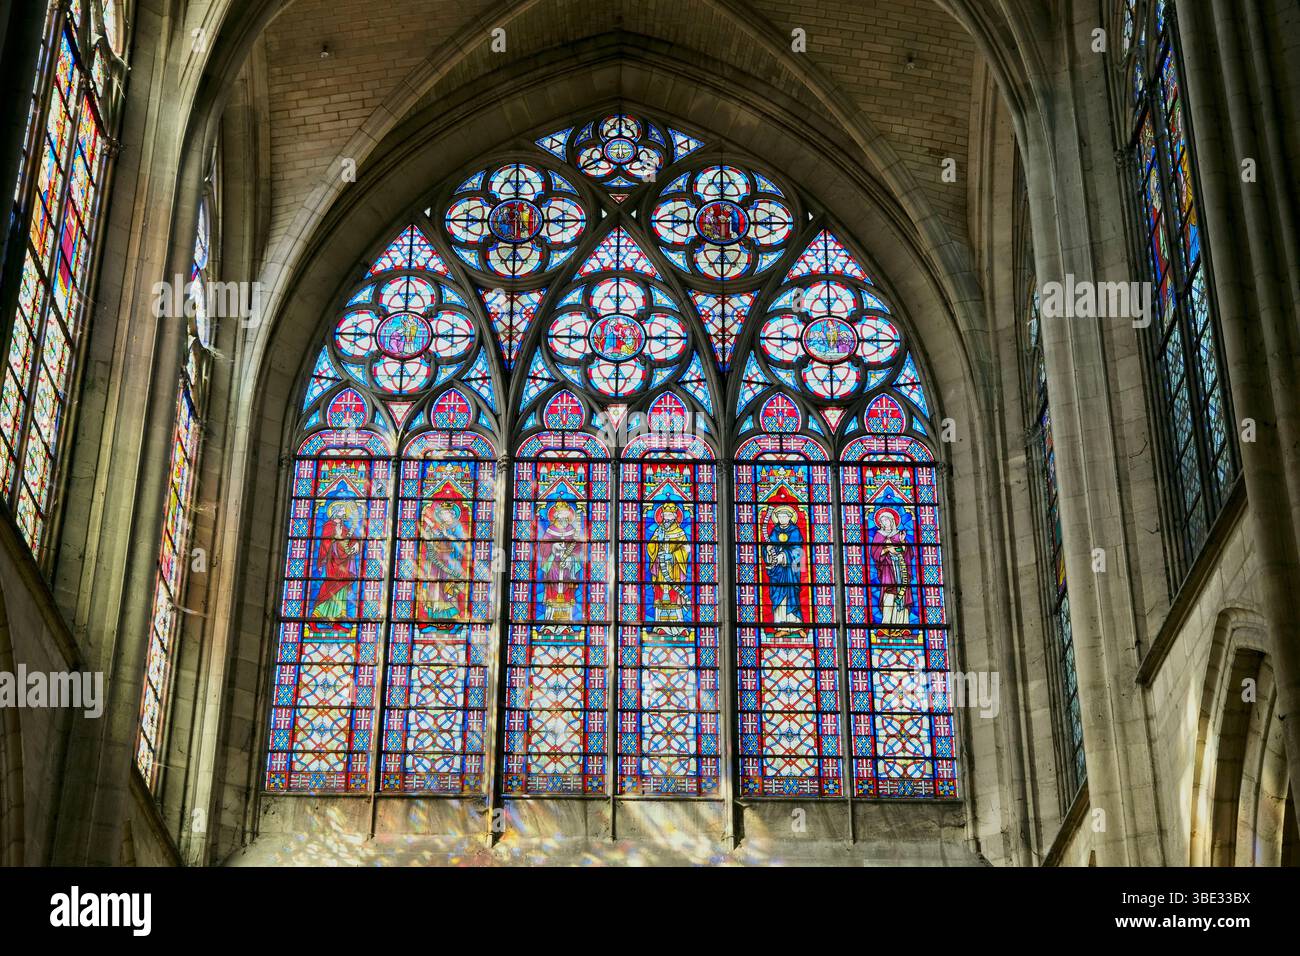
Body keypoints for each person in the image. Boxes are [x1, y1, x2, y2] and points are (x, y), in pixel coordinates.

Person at [416, 501, 466, 620]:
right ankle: (433, 616)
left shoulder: (457, 526)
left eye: (444, 513)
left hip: (450, 562)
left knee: (447, 589)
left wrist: (447, 536)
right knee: (434, 588)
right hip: (437, 562)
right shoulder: (442, 526)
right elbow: (435, 539)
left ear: (451, 514)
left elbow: (461, 544)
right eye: (441, 514)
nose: (442, 516)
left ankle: (452, 615)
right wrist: (430, 529)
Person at [311, 501, 361, 619]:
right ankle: (318, 613)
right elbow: (326, 543)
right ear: (335, 512)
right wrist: (336, 538)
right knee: (331, 584)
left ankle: (338, 615)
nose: (345, 513)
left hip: (344, 562)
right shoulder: (328, 526)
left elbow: (351, 538)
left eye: (345, 511)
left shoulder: (345, 527)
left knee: (342, 586)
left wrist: (356, 544)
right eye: (342, 511)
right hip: (332, 562)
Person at [539, 500, 585, 621]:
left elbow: (578, 549)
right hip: (553, 566)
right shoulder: (550, 531)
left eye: (566, 518)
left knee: (567, 592)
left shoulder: (572, 531)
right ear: (556, 517)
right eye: (561, 518)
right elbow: (543, 548)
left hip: (567, 569)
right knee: (553, 590)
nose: (564, 521)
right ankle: (549, 620)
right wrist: (553, 547)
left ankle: (569, 621)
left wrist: (571, 559)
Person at [647, 501, 690, 621]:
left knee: (674, 595)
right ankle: (659, 624)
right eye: (665, 515)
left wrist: (673, 556)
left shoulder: (680, 533)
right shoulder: (659, 531)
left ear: (675, 517)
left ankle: (678, 625)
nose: (667, 518)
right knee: (660, 594)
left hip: (675, 571)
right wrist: (656, 543)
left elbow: (686, 549)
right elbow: (650, 547)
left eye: (670, 515)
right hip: (661, 571)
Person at [764, 504, 804, 624]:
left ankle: (796, 624)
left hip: (791, 571)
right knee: (779, 599)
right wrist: (769, 551)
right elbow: (769, 548)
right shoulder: (774, 531)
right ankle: (780, 626)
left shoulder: (795, 531)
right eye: (779, 516)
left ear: (789, 517)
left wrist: (784, 556)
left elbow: (798, 551)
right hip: (778, 573)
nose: (782, 519)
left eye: (784, 516)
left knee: (792, 596)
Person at [870, 507, 911, 625]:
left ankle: (902, 625)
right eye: (882, 521)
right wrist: (888, 549)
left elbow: (906, 551)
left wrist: (902, 542)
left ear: (892, 520)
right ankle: (886, 624)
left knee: (901, 594)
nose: (884, 523)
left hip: (901, 569)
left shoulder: (899, 534)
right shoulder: (879, 535)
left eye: (886, 520)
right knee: (888, 594)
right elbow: (875, 553)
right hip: (887, 569)